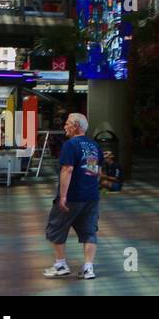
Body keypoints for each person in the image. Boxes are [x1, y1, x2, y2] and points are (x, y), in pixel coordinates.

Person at [43, 113, 102, 280]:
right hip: (91, 197)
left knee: (56, 228)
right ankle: (88, 268)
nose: (64, 126)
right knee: (89, 231)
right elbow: (95, 171)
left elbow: (67, 169)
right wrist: (90, 189)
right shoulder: (93, 145)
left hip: (73, 196)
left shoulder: (70, 145)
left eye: (67, 123)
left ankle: (60, 265)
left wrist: (62, 196)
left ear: (76, 126)